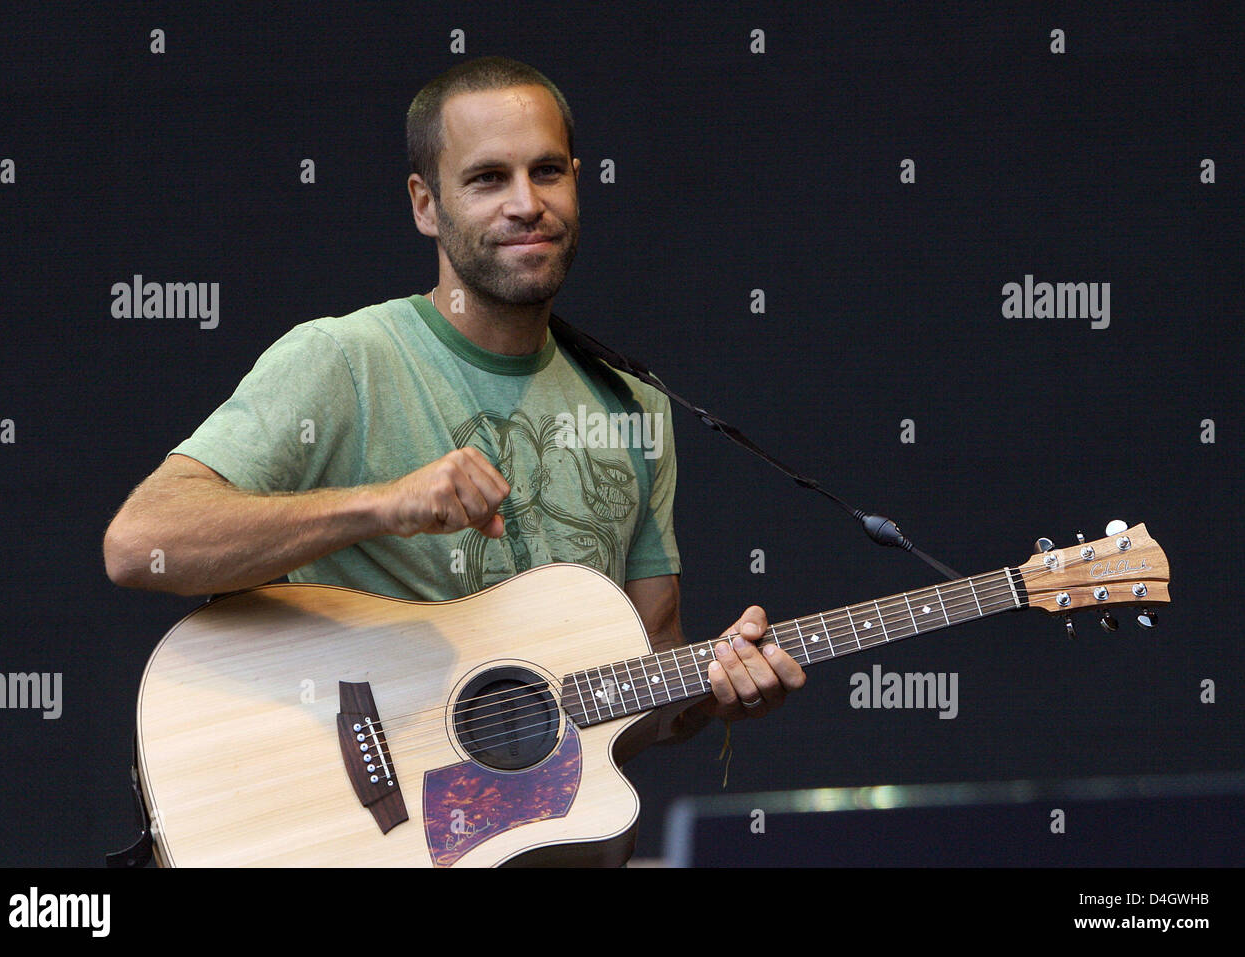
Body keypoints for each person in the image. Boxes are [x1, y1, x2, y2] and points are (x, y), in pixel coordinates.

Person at [103, 55, 805, 747]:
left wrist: (714, 697)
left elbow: (645, 700)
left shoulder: (632, 405)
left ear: (577, 184)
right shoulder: (344, 359)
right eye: (488, 178)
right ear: (425, 205)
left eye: (548, 171)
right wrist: (384, 503)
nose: (527, 203)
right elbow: (140, 544)